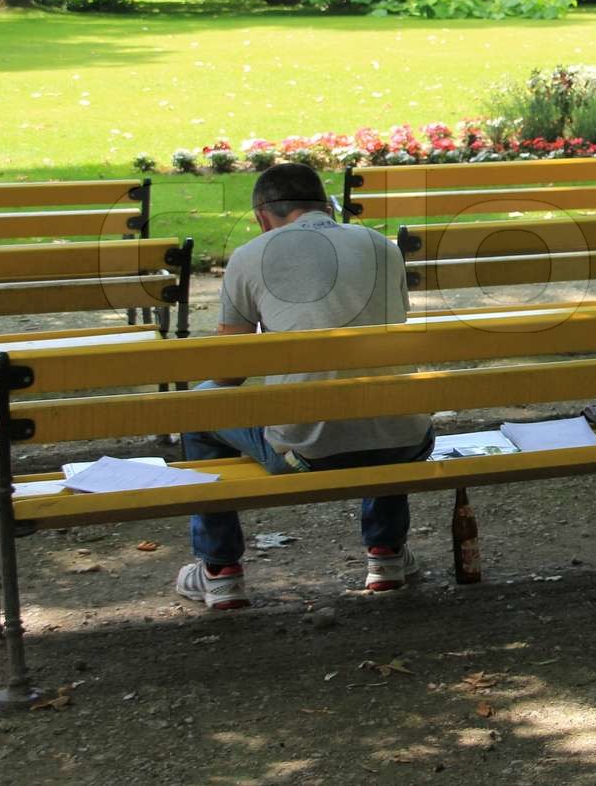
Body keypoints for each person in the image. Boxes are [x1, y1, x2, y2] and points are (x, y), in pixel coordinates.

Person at [175, 163, 433, 610]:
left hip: (306, 455)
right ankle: (387, 553)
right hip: (406, 443)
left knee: (199, 409)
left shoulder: (250, 255)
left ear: (262, 216)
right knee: (378, 395)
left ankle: (219, 570)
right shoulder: (382, 247)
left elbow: (228, 374)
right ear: (326, 205)